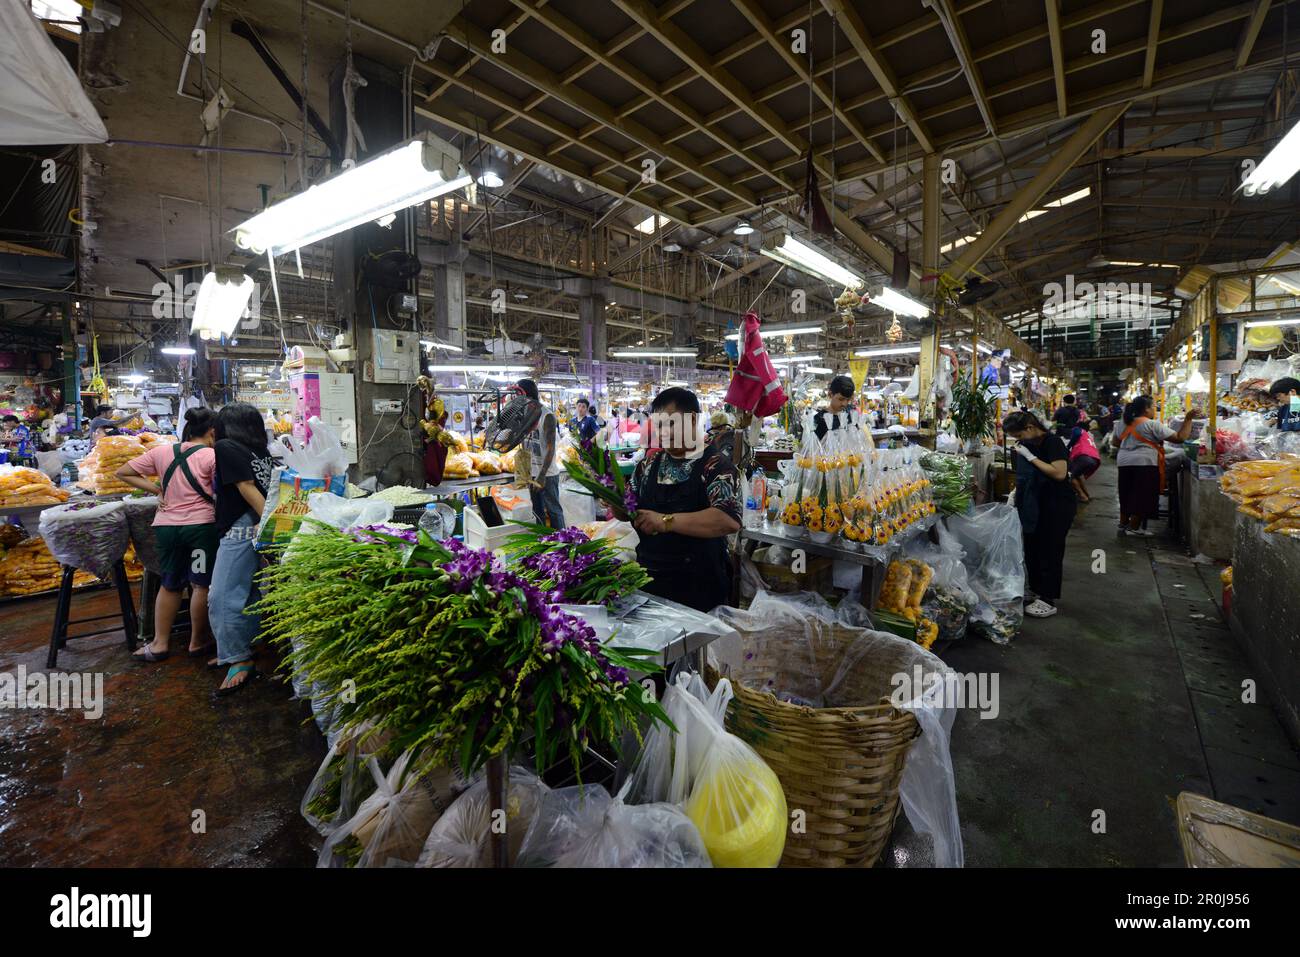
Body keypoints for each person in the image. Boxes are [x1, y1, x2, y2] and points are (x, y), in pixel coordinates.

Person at [115, 408, 219, 663]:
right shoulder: (211, 456)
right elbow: (220, 492)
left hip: (166, 528)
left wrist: (156, 489)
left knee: (170, 583)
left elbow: (123, 472)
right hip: (200, 529)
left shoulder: (162, 451)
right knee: (200, 584)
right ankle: (198, 641)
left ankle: (160, 643)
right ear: (212, 432)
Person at [631, 387, 741, 612]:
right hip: (650, 584)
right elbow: (630, 506)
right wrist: (612, 498)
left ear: (692, 420)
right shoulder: (648, 465)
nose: (663, 432)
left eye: (670, 424)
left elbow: (727, 520)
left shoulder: (717, 466)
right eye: (658, 425)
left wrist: (665, 521)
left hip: (698, 589)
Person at [209, 403, 277, 696]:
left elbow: (247, 487)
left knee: (222, 594)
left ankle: (238, 657)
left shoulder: (225, 446)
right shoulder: (261, 451)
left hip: (243, 527)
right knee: (247, 590)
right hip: (255, 524)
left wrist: (269, 526)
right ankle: (239, 646)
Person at [1005, 410, 1076, 619]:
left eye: (1018, 435)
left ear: (1029, 428)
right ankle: (1036, 590)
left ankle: (1048, 599)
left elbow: (1059, 473)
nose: (1018, 440)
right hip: (1033, 503)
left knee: (1050, 550)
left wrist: (1030, 457)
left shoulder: (1052, 443)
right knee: (1032, 547)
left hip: (1056, 504)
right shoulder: (1029, 443)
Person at [1112, 395, 1199, 537]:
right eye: (1153, 406)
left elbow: (1115, 443)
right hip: (1144, 462)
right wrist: (1188, 419)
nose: (1155, 409)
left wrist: (1132, 445)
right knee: (1142, 495)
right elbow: (1180, 438)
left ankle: (1123, 525)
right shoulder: (1151, 424)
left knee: (1126, 492)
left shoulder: (1123, 422)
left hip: (1124, 461)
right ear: (1146, 409)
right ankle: (1134, 528)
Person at [516, 378, 565, 530]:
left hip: (547, 474)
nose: (516, 398)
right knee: (537, 511)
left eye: (518, 393)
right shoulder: (525, 415)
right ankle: (543, 543)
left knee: (554, 511)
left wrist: (542, 474)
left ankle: (563, 542)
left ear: (526, 394)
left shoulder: (547, 416)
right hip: (531, 474)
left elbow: (550, 448)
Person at [1067, 424, 1101, 503]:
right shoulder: (1088, 435)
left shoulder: (1078, 429)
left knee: (1068, 475)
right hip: (1094, 459)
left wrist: (1068, 446)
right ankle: (1086, 495)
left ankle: (1082, 496)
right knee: (1076, 475)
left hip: (1084, 456)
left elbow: (1076, 434)